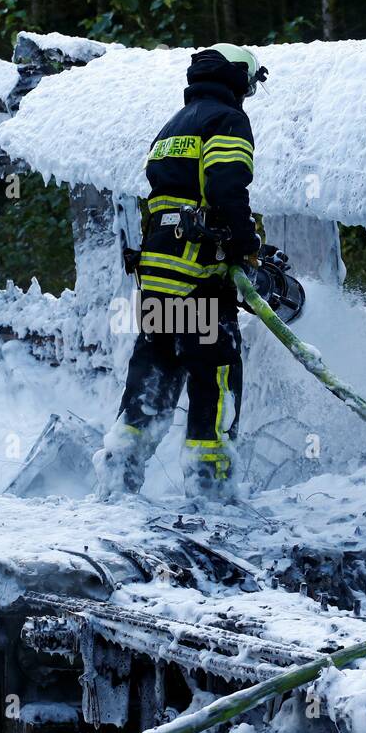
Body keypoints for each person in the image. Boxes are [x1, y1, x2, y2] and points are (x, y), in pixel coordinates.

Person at [95, 43, 268, 501]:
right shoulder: (227, 120)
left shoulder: (172, 127)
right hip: (200, 282)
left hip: (158, 282)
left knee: (152, 376)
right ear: (238, 79)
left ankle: (118, 482)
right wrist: (246, 245)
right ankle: (211, 492)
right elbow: (227, 187)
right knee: (213, 377)